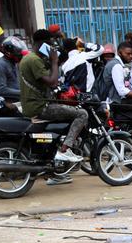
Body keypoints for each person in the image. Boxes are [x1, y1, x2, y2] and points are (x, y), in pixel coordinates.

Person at [17, 28, 88, 173]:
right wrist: (54, 61)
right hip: (40, 107)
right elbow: (52, 82)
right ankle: (64, 149)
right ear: (43, 44)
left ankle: (57, 166)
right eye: (50, 44)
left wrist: (56, 60)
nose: (52, 47)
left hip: (35, 104)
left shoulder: (32, 58)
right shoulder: (34, 60)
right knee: (82, 114)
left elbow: (50, 71)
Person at [0, 36, 24, 104]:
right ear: (8, 53)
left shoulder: (13, 62)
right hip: (12, 102)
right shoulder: (0, 65)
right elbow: (2, 90)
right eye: (17, 55)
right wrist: (23, 92)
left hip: (20, 99)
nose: (19, 57)